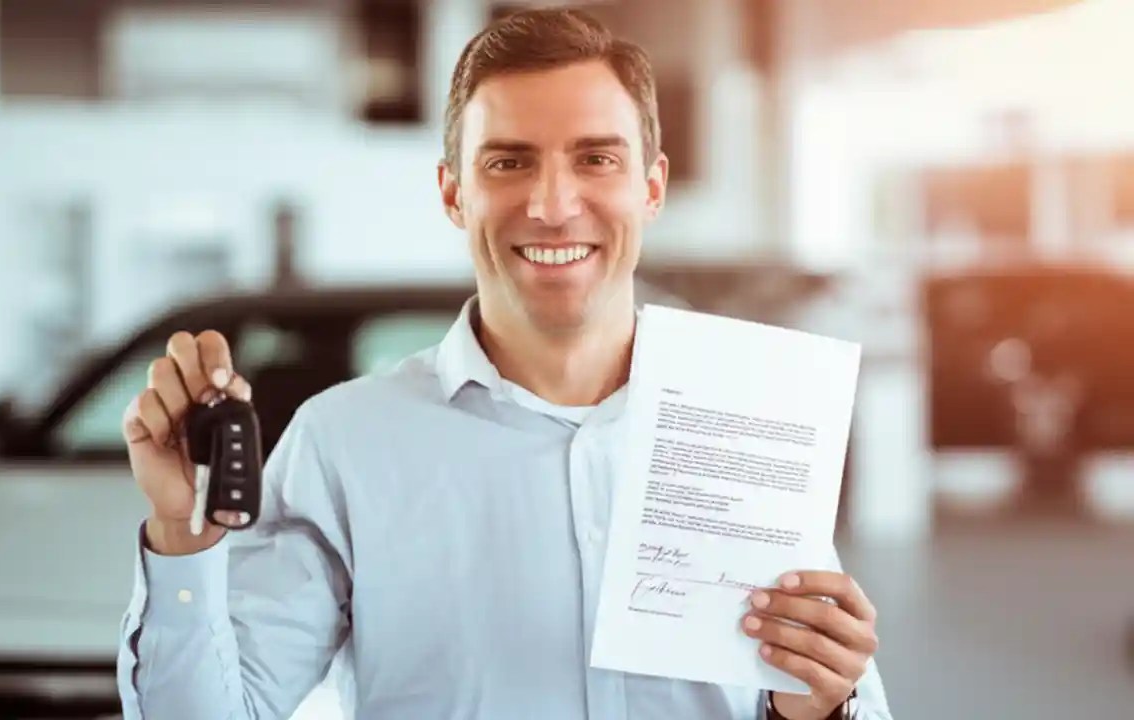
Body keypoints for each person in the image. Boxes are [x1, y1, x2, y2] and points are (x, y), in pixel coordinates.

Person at [116, 8, 892, 720]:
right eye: (509, 163)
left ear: (651, 187)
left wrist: (820, 706)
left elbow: (823, 699)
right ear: (453, 192)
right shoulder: (345, 446)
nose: (553, 204)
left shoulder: (752, 422)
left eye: (595, 159)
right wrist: (183, 536)